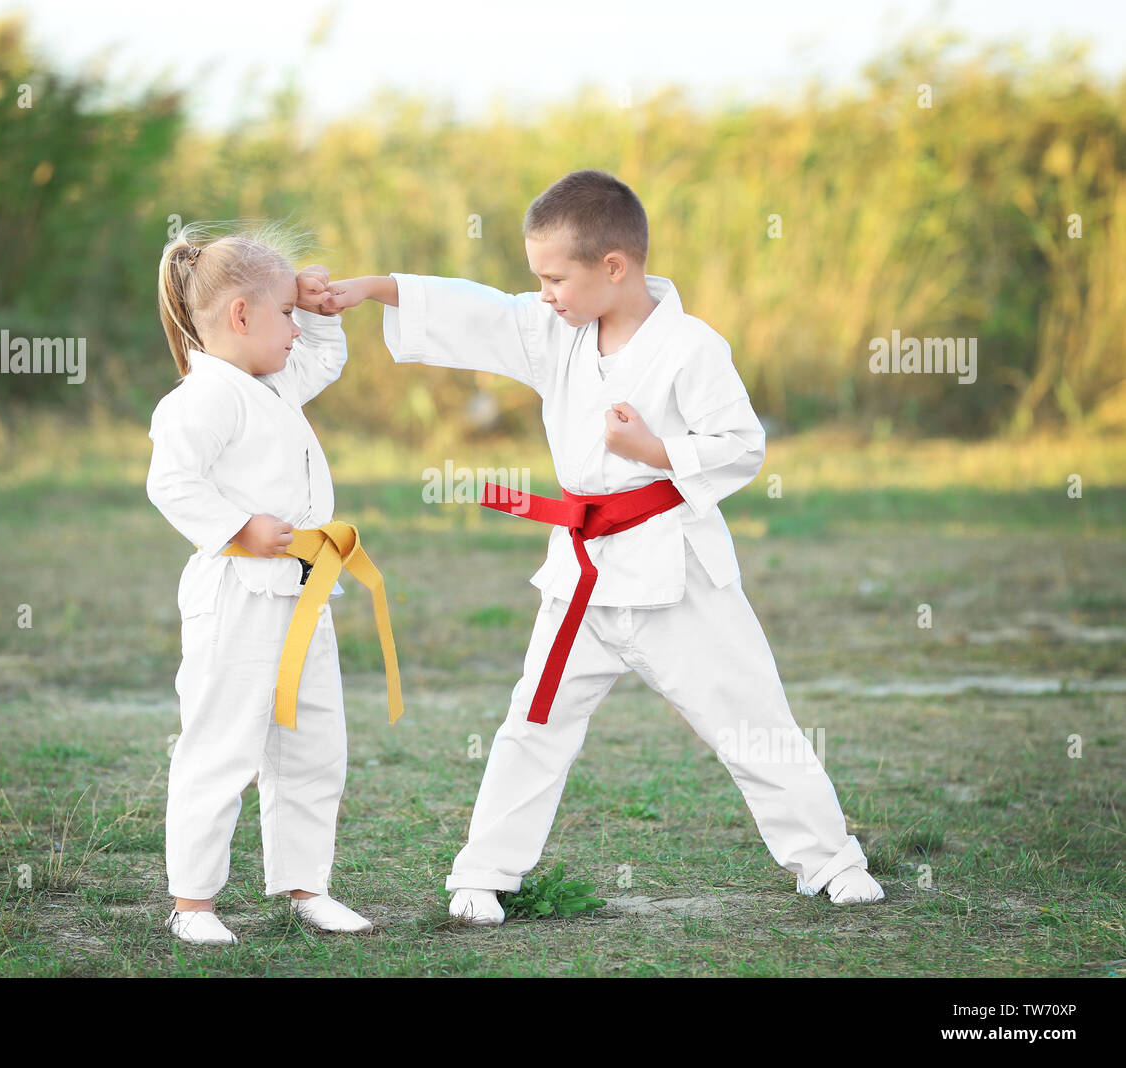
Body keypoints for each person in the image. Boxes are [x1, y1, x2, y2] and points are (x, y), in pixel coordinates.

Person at [326, 170, 885, 925]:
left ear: (613, 267)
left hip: (677, 574)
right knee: (534, 721)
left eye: (555, 276)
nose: (544, 292)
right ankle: (484, 874)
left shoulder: (692, 348)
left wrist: (655, 449)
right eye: (539, 278)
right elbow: (479, 312)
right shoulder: (556, 331)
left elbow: (741, 447)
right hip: (582, 576)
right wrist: (370, 288)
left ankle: (829, 861)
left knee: (751, 718)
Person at [148, 221, 384, 944]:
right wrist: (238, 528)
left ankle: (305, 885)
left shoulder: (272, 378)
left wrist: (313, 296)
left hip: (305, 593)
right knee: (221, 745)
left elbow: (326, 357)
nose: (295, 331)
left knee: (314, 743)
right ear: (242, 316)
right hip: (239, 595)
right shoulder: (204, 397)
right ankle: (193, 904)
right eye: (284, 314)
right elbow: (171, 482)